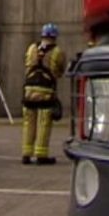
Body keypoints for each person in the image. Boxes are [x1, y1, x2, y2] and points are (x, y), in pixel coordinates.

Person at [21, 22, 66, 165]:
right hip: (45, 90)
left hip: (29, 89)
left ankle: (26, 154)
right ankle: (41, 154)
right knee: (43, 123)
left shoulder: (32, 48)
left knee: (28, 123)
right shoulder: (57, 51)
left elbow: (27, 64)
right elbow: (60, 70)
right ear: (55, 36)